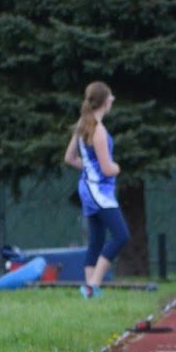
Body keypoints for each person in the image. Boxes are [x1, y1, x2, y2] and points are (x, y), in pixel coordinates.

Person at [64, 81, 129, 298]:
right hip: (99, 192)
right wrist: (117, 167)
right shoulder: (98, 131)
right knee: (121, 235)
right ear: (103, 102)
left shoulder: (83, 124)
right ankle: (93, 284)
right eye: (110, 98)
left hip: (88, 190)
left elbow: (69, 158)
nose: (112, 101)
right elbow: (107, 169)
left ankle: (89, 292)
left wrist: (90, 167)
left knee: (97, 239)